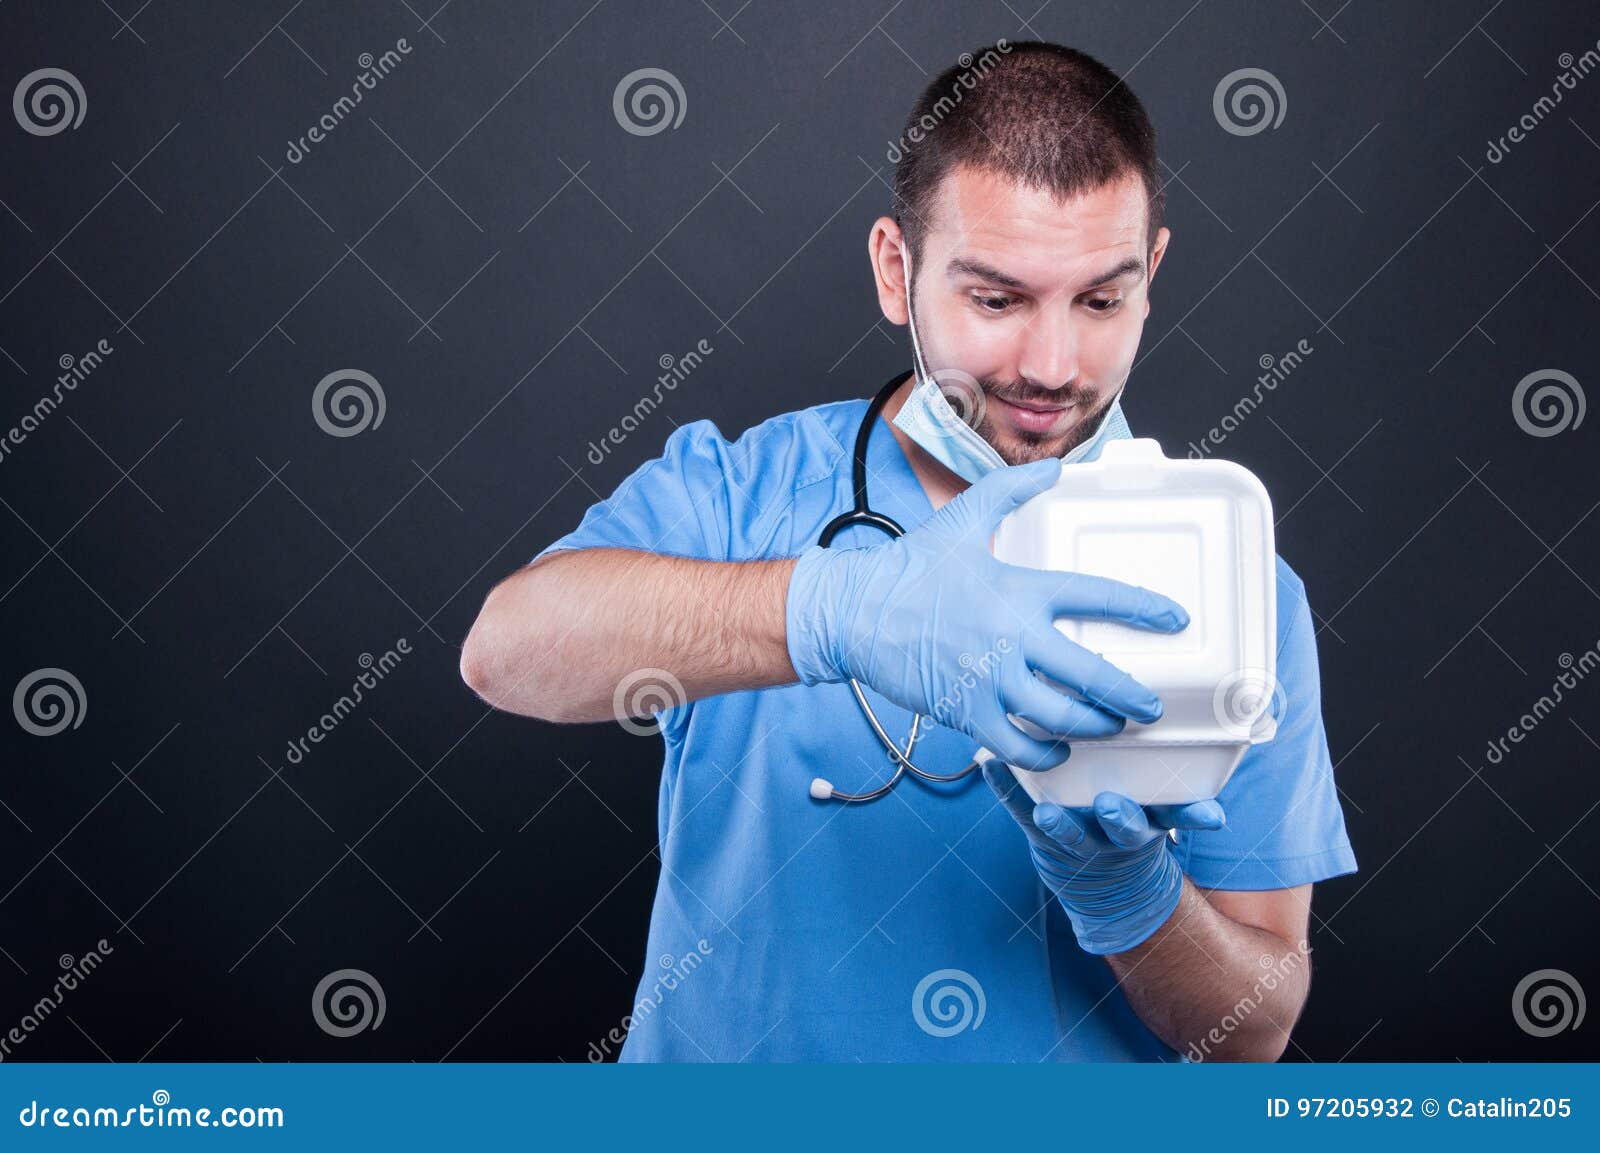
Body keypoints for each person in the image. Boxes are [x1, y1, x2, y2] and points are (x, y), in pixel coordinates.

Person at [460, 40, 1357, 1062]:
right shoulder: (741, 492)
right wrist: (837, 611)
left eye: (1099, 300)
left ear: (1150, 274)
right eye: (995, 298)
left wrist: (1134, 898)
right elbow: (505, 650)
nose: (1051, 365)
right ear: (897, 269)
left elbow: (1254, 1034)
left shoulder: (1236, 582)